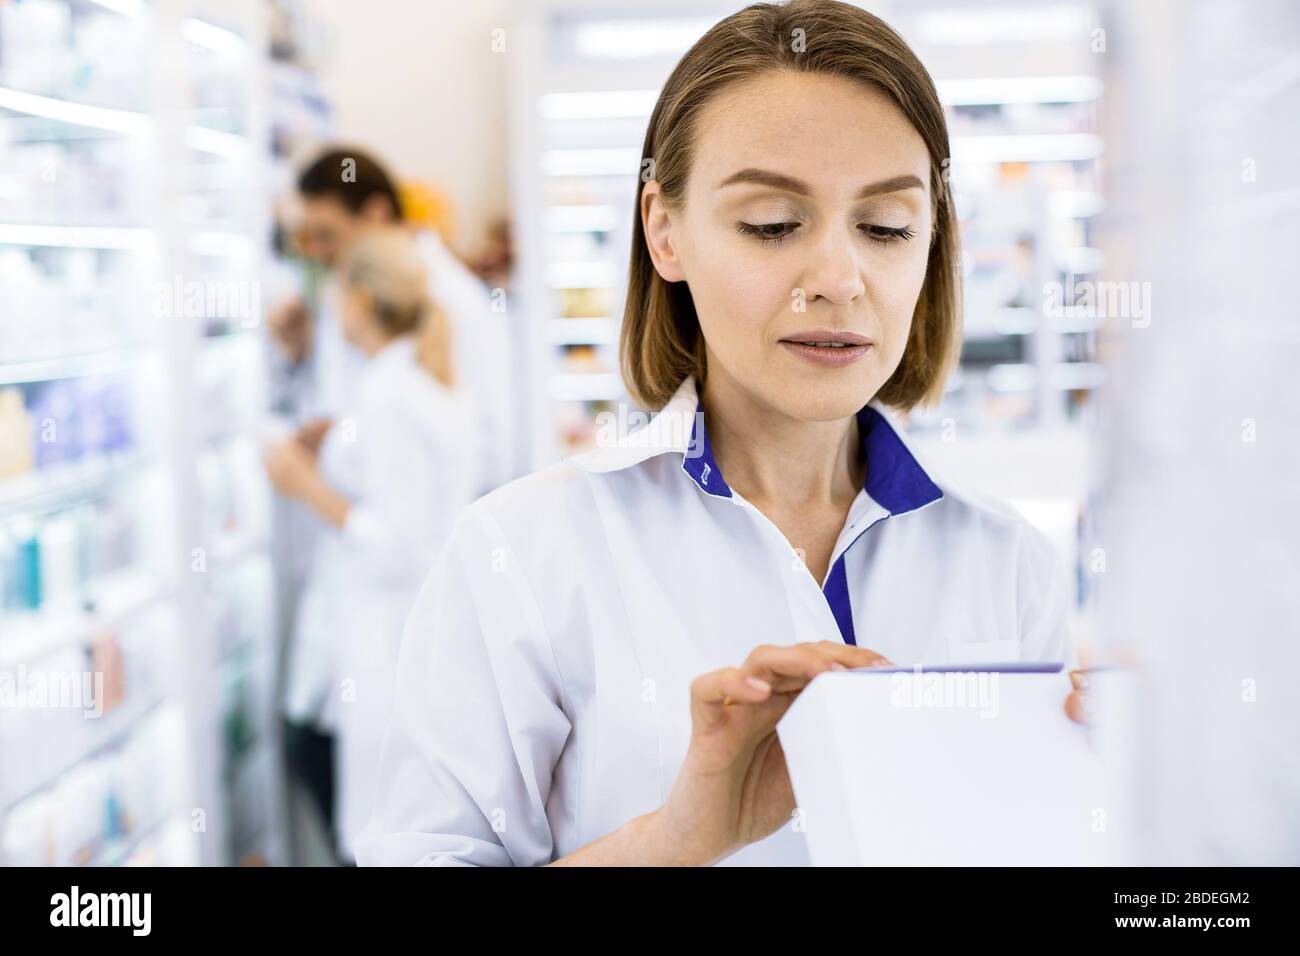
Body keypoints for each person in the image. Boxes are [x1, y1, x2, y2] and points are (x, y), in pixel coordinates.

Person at [356, 0, 1077, 867]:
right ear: (665, 230)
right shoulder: (522, 556)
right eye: (772, 224)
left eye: (886, 227)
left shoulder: (1008, 563)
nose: (841, 279)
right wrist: (672, 842)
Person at [264, 228, 477, 860]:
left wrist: (305, 486)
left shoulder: (389, 394)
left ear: (357, 300)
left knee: (369, 825)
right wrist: (335, 444)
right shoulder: (414, 379)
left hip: (386, 636)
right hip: (404, 635)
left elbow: (398, 544)